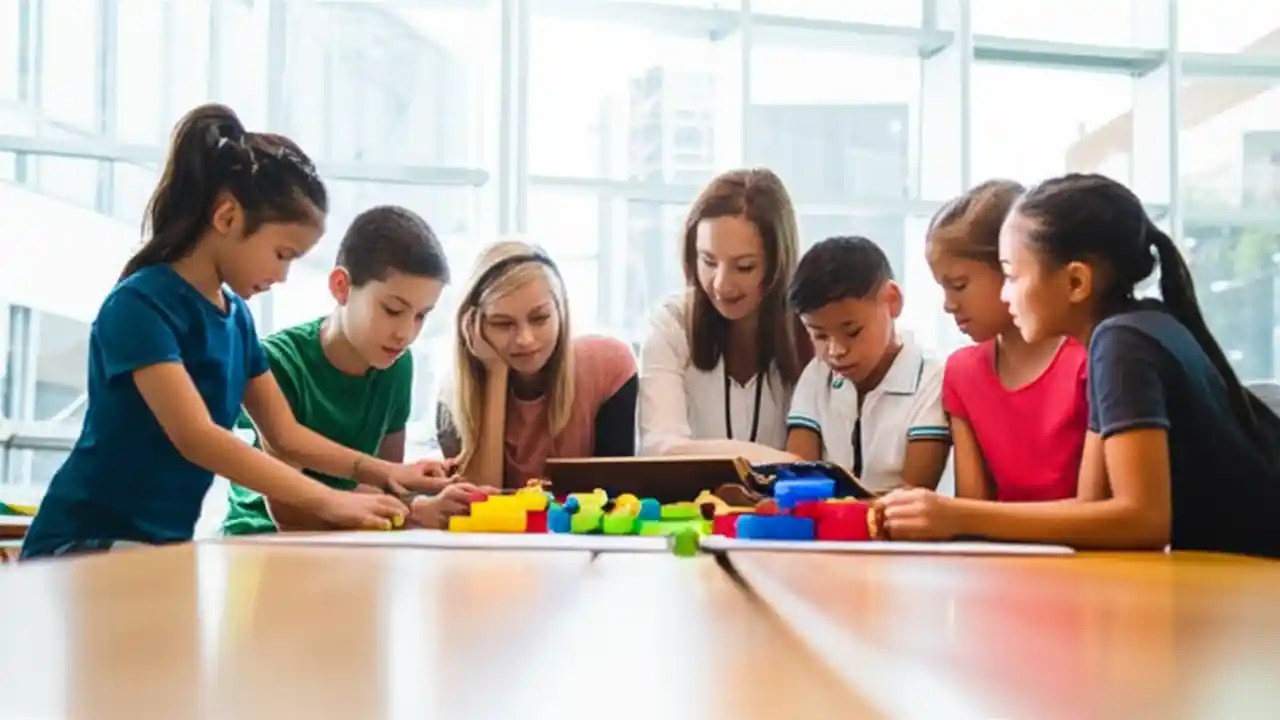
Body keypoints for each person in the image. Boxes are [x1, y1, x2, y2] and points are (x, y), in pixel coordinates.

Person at [21, 104, 424, 560]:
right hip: (80, 545)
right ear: (227, 217)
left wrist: (383, 473)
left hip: (157, 549)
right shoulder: (140, 305)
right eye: (282, 254)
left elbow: (285, 435)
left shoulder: (237, 319)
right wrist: (331, 500)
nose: (284, 275)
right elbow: (197, 437)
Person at [882, 173, 1280, 557]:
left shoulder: (1121, 344)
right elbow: (1090, 508)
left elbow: (1144, 519)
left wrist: (957, 515)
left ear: (1076, 282)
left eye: (1012, 276)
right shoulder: (1132, 331)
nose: (1007, 294)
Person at [223, 206, 481, 535]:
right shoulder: (278, 363)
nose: (406, 332)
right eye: (393, 310)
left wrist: (425, 498)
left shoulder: (395, 363)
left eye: (421, 316)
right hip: (263, 541)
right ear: (341, 286)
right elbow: (290, 516)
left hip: (353, 536)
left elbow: (386, 485)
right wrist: (413, 512)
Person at [926, 179, 1088, 502]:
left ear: (1010, 266)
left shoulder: (1086, 361)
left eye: (958, 285)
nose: (948, 304)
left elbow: (1097, 508)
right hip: (999, 552)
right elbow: (971, 508)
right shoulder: (962, 372)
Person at [639, 168, 810, 462]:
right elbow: (660, 450)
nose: (720, 284)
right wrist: (785, 459)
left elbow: (825, 465)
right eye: (708, 261)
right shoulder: (673, 323)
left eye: (744, 266)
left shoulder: (812, 330)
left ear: (778, 265)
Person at [437, 240, 638, 489]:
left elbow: (616, 496)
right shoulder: (453, 397)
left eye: (540, 318)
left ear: (561, 312)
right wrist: (495, 374)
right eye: (502, 324)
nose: (525, 339)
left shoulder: (609, 367)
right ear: (472, 326)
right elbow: (478, 504)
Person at [785, 236, 950, 493]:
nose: (835, 351)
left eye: (852, 331)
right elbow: (798, 482)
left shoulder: (931, 381)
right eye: (819, 335)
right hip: (823, 531)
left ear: (892, 301)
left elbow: (913, 498)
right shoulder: (817, 376)